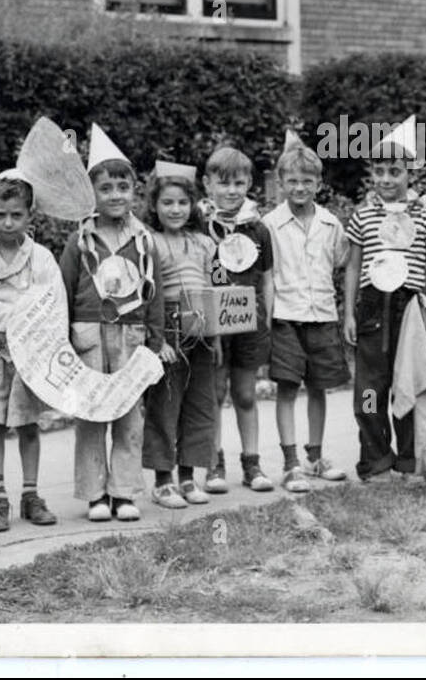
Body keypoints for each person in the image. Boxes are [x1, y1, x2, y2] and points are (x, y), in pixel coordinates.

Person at [58, 124, 163, 523]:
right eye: (106, 188)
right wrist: (62, 340)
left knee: (128, 412)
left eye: (123, 186)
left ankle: (123, 491)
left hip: (132, 335)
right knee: (90, 414)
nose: (116, 195)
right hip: (87, 335)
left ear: (134, 190)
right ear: (93, 193)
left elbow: (157, 293)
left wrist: (155, 342)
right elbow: (65, 290)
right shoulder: (79, 240)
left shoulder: (144, 240)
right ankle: (95, 494)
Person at [343, 115, 426, 482]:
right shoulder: (362, 216)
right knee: (370, 389)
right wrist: (349, 314)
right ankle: (376, 461)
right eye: (380, 171)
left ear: (409, 175)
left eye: (395, 172)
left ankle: (408, 461)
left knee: (408, 383)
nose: (387, 179)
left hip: (412, 309)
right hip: (372, 307)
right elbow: (353, 267)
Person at [0, 173, 63, 531]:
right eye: (0, 215)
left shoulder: (41, 258)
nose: (8, 223)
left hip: (30, 353)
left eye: (16, 215)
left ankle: (30, 495)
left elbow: (54, 307)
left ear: (29, 216)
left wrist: (46, 354)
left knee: (27, 424)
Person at [263, 131, 351, 493]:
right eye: (293, 181)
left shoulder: (331, 224)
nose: (300, 187)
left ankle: (315, 456)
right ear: (281, 182)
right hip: (285, 315)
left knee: (319, 387)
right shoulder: (269, 224)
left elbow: (343, 262)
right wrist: (265, 322)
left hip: (322, 315)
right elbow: (265, 274)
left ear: (319, 183)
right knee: (286, 388)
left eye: (307, 181)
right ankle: (290, 463)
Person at [143, 162, 223, 508]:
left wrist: (217, 336)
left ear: (192, 205)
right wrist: (156, 339)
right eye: (167, 203)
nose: (175, 210)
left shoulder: (205, 243)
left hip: (201, 326)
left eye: (181, 203)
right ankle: (163, 480)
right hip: (168, 325)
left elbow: (213, 287)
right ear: (155, 207)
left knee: (199, 402)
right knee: (165, 402)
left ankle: (188, 476)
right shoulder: (150, 242)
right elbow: (147, 294)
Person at [201, 146, 275, 495]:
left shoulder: (258, 229)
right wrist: (208, 327)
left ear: (249, 185)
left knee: (245, 394)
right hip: (215, 324)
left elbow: (268, 277)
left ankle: (252, 462)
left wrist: (269, 321)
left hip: (251, 323)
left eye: (239, 183)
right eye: (223, 183)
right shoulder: (202, 227)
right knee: (214, 392)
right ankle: (214, 464)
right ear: (208, 184)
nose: (232, 191)